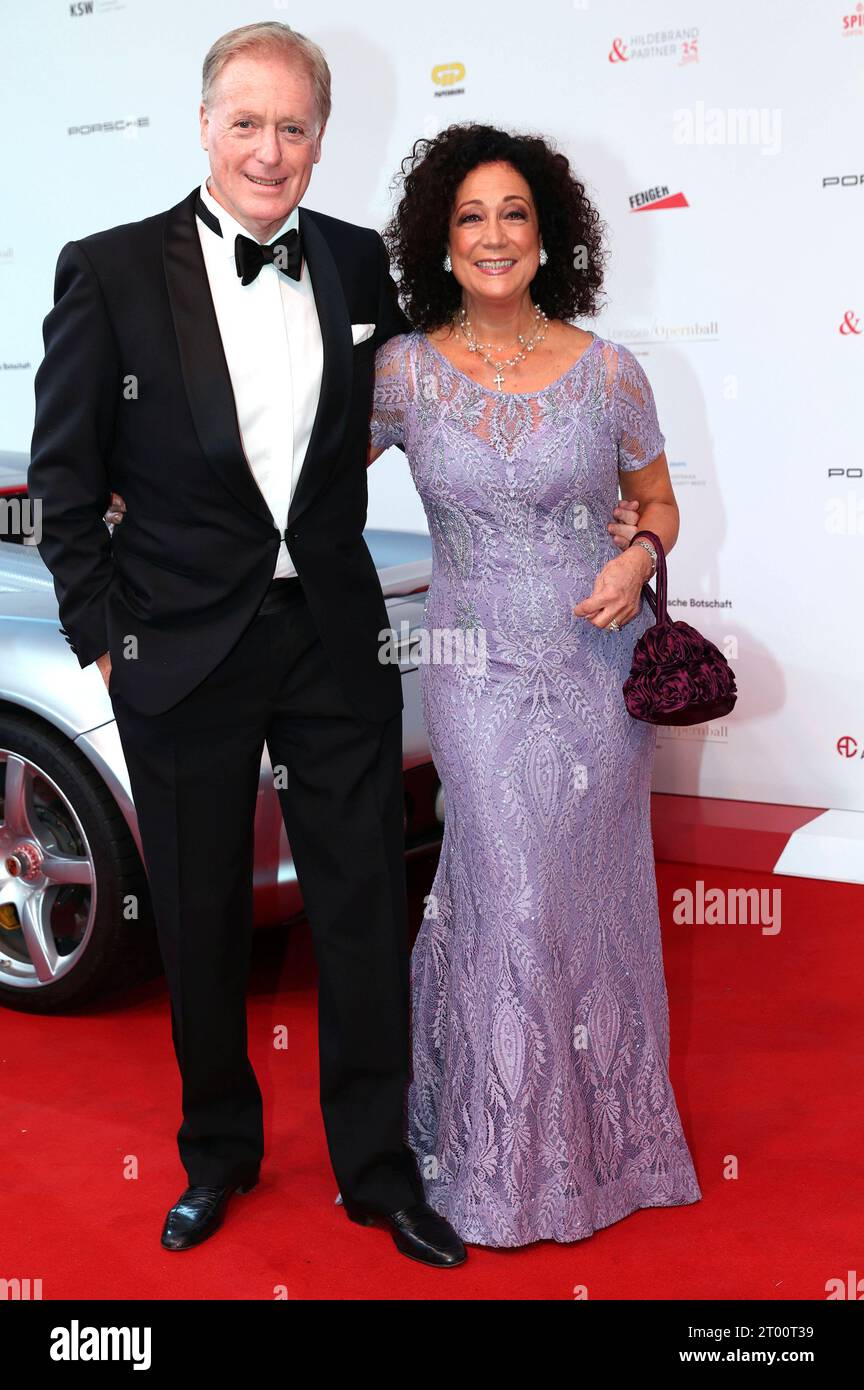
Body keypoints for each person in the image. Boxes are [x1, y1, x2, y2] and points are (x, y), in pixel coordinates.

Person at [27, 21, 468, 1268]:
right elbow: (65, 480)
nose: (268, 151)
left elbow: (410, 416)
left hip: (331, 635)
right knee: (203, 914)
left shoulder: (357, 264)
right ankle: (215, 1154)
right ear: (203, 123)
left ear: (321, 142)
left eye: (293, 128)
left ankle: (379, 1172)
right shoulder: (109, 271)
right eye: (246, 123)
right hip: (175, 644)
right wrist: (102, 637)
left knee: (362, 902)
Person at [368, 124, 703, 1247]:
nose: (495, 234)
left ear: (549, 237)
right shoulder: (403, 374)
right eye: (471, 217)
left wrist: (639, 555)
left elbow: (659, 505)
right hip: (474, 670)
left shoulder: (611, 373)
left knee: (586, 902)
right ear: (441, 244)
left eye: (515, 213)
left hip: (594, 672)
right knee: (506, 889)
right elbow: (294, 475)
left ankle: (608, 1147)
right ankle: (494, 1156)